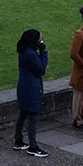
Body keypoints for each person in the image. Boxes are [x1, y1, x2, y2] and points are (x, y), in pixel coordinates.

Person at [14, 30, 49, 158]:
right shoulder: (31, 54)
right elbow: (41, 69)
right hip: (32, 88)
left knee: (22, 113)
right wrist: (43, 52)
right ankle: (33, 146)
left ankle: (18, 140)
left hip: (23, 86)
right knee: (32, 116)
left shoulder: (24, 50)